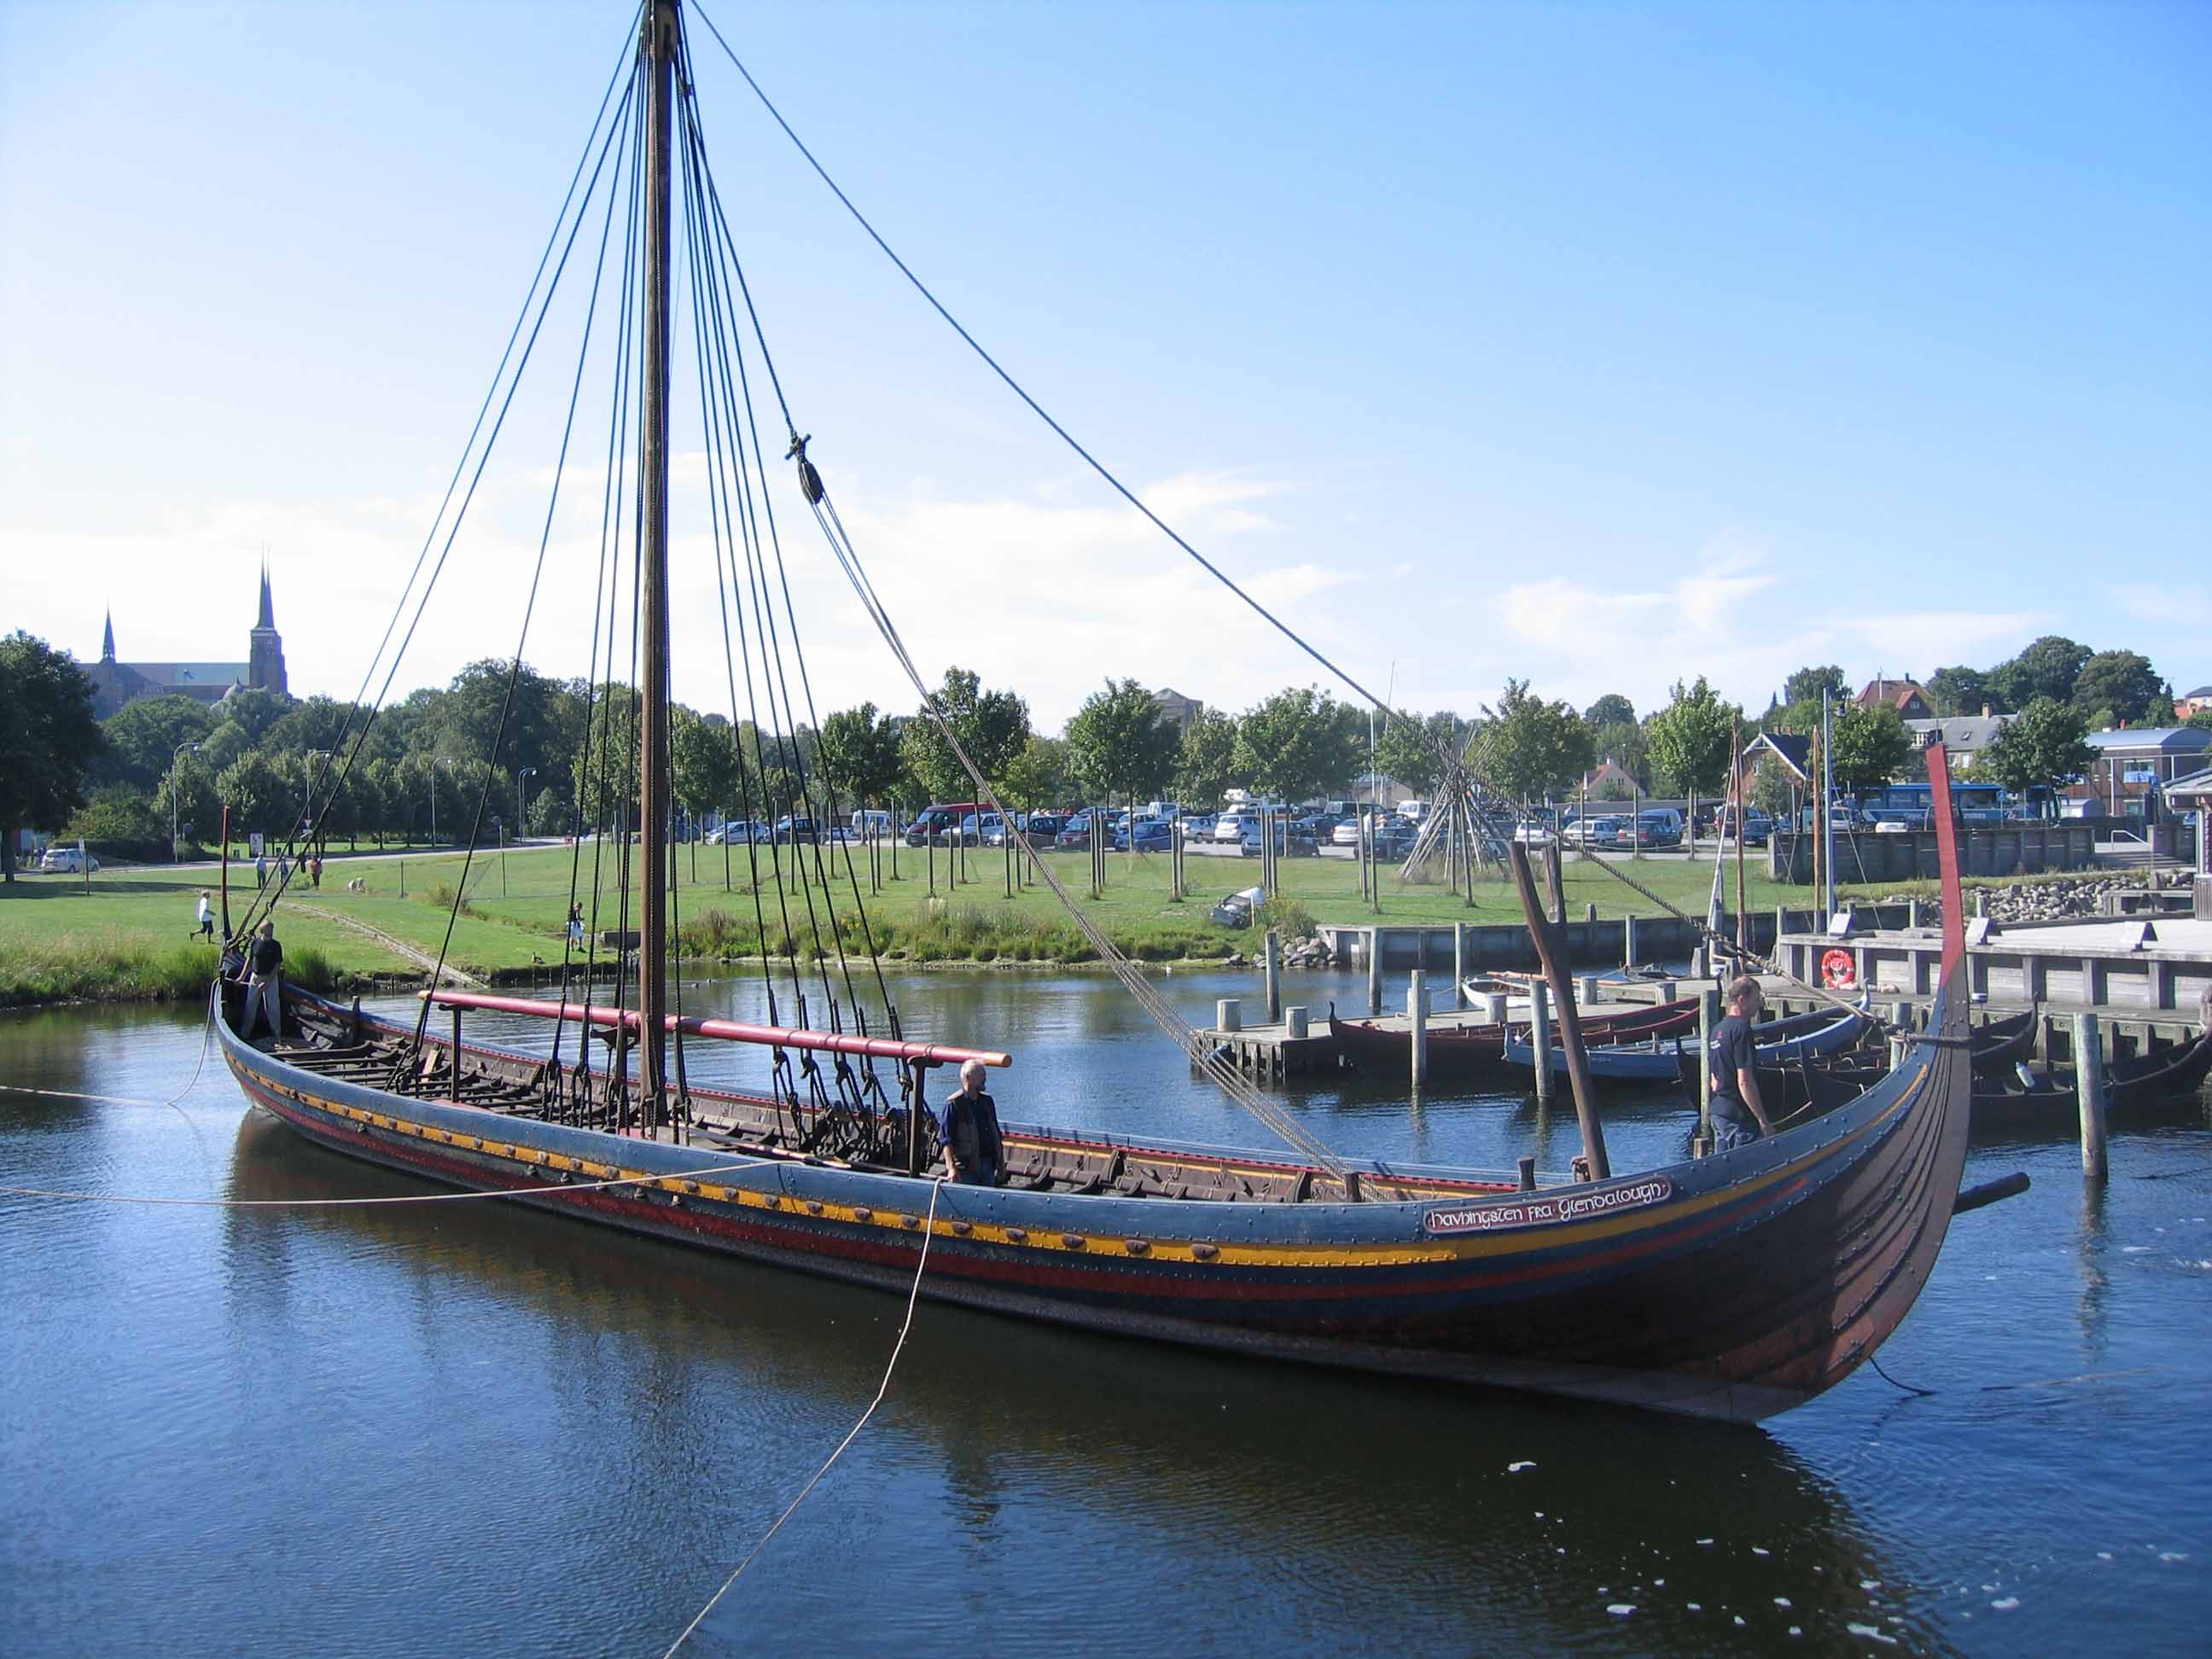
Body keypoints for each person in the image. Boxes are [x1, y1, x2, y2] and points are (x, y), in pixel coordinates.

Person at [1706, 975, 1775, 1153]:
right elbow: (1744, 1081)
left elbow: (1714, 1081)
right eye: (1756, 998)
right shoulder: (1742, 1030)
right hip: (1738, 1117)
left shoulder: (1717, 1030)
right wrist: (1762, 1120)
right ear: (1742, 999)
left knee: (1722, 1165)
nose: (1759, 1004)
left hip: (1718, 1113)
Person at [939, 1059, 1004, 1186]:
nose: (985, 1079)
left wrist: (1001, 1163)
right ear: (968, 1077)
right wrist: (951, 1168)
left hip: (988, 1166)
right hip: (966, 1169)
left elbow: (996, 1134)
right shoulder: (954, 1104)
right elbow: (946, 1139)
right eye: (981, 1075)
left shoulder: (987, 1102)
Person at [244, 919, 284, 1043]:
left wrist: (267, 981)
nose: (270, 933)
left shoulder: (276, 945)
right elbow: (250, 960)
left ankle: (277, 1036)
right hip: (256, 978)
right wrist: (241, 977)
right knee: (250, 1007)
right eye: (268, 930)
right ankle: (245, 1035)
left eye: (271, 930)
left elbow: (277, 965)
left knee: (273, 1008)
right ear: (262, 931)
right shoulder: (255, 943)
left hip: (271, 979)